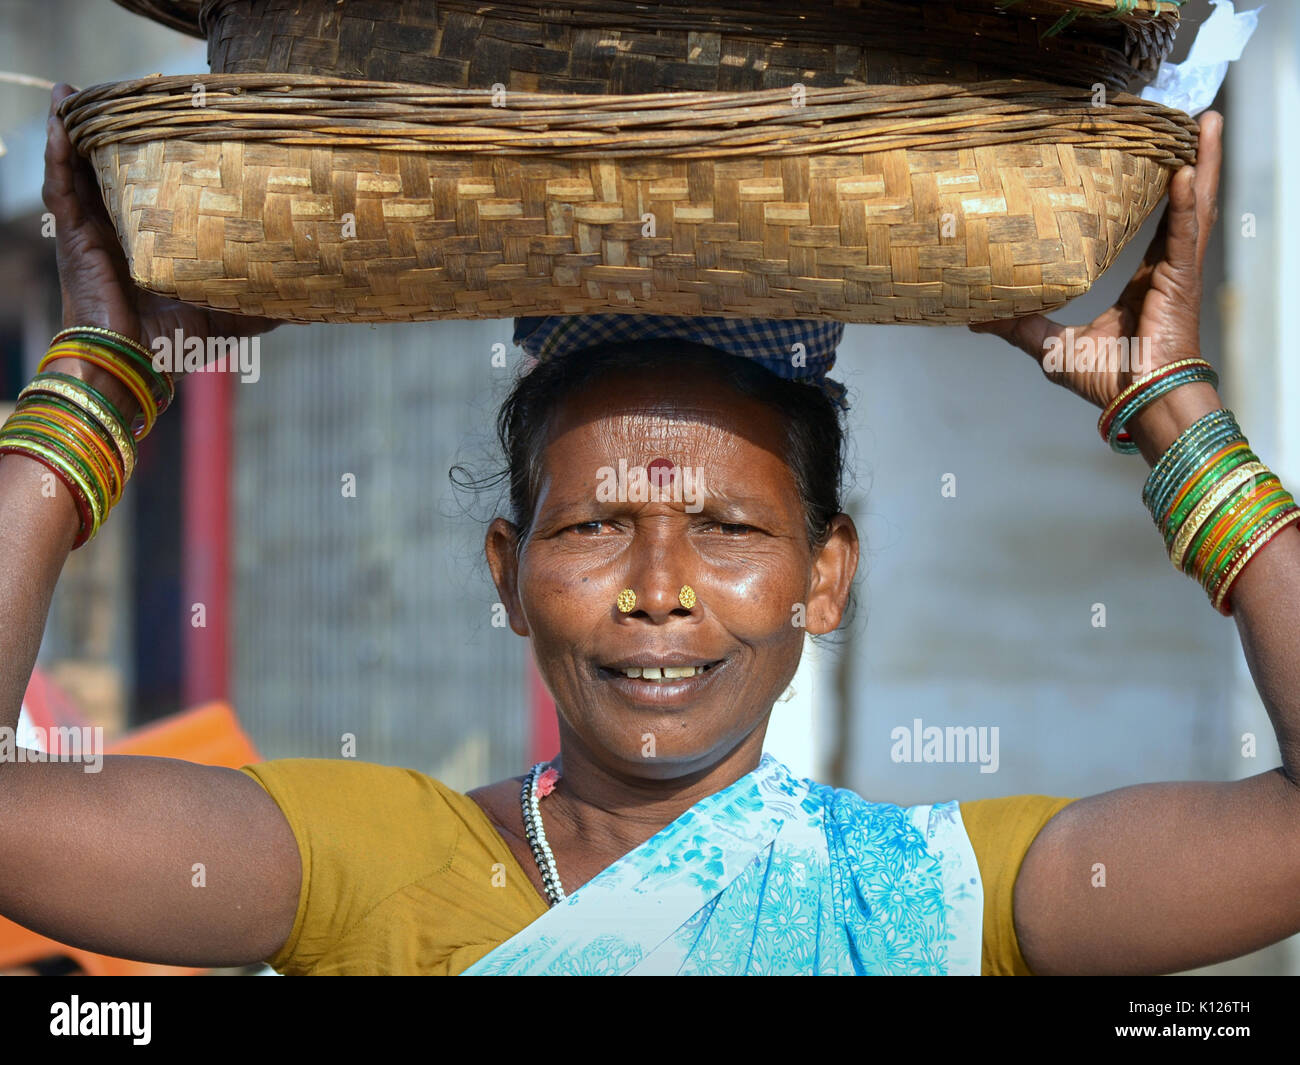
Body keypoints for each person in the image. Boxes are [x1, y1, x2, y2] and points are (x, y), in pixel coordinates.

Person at [1, 85, 1298, 977]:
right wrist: (100, 383)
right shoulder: (374, 862)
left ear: (825, 574)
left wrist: (1170, 412)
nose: (662, 588)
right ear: (508, 574)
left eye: (730, 525)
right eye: (599, 524)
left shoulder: (930, 897)